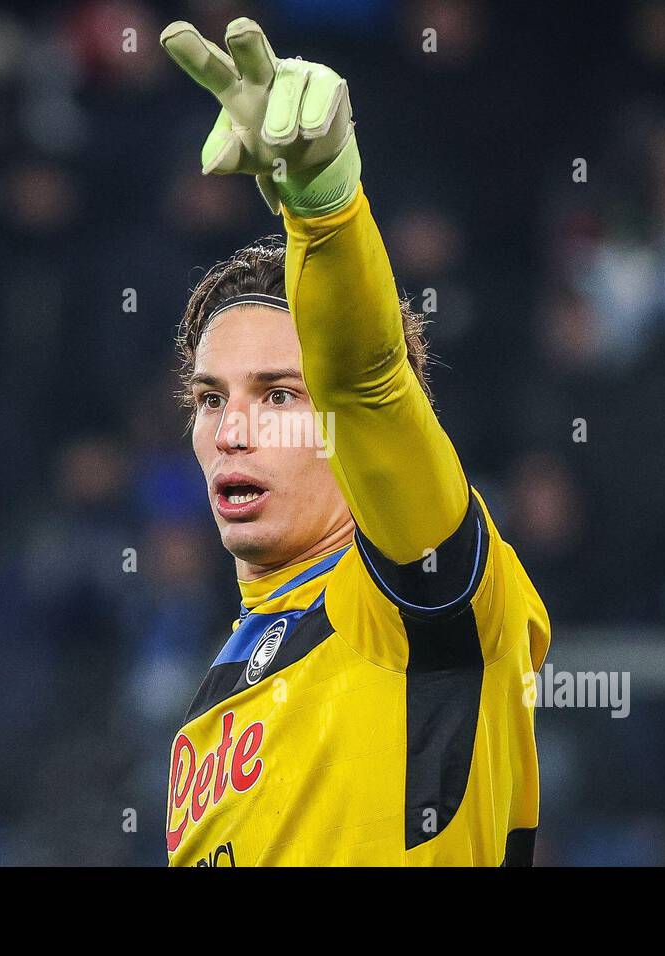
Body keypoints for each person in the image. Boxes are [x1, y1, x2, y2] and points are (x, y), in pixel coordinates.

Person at [161, 17, 550, 866]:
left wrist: (325, 207)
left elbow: (368, 382)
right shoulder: (221, 683)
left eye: (282, 395)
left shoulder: (409, 598)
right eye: (210, 397)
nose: (233, 429)